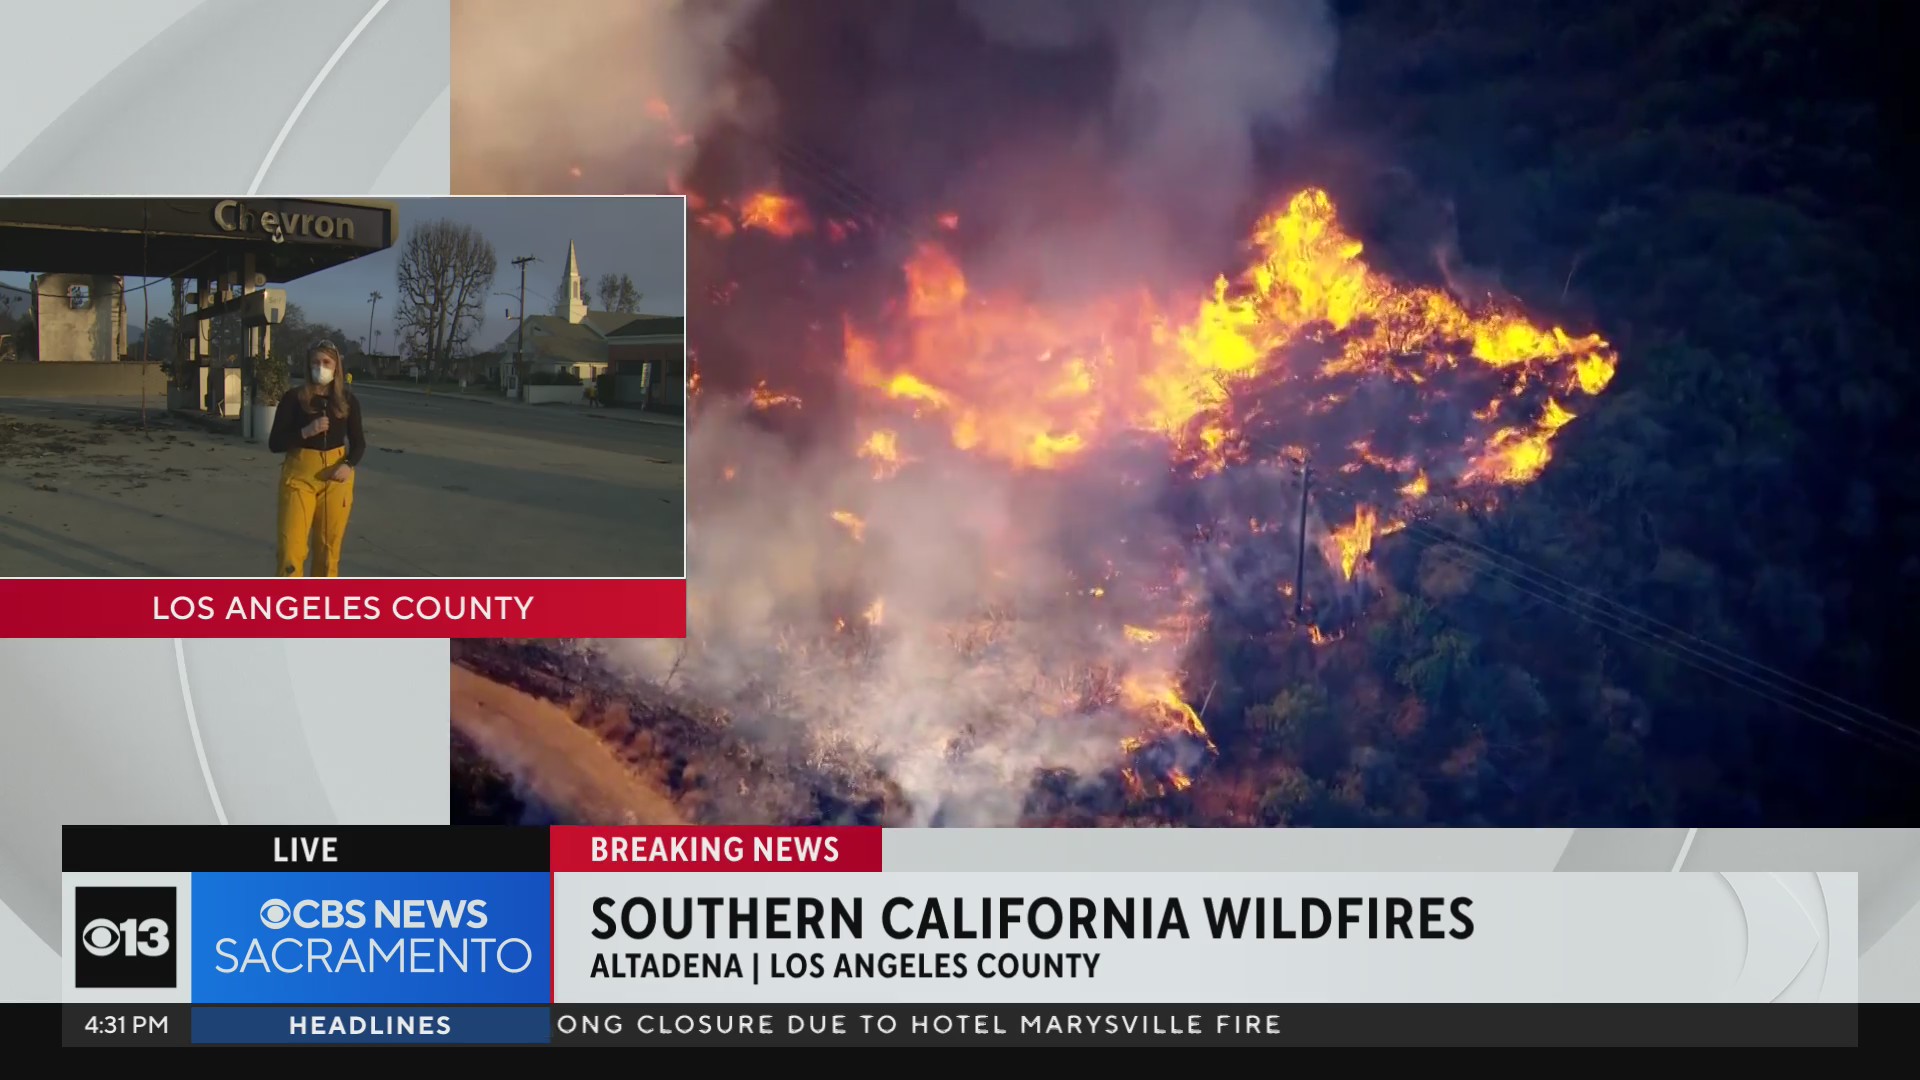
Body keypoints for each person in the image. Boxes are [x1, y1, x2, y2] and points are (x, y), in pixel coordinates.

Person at [268, 341, 365, 576]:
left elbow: (359, 442)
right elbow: (275, 443)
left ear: (336, 366)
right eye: (315, 362)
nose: (320, 367)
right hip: (300, 477)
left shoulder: (347, 401)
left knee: (328, 550)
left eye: (326, 362)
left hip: (336, 478)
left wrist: (348, 464)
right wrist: (305, 432)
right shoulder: (293, 398)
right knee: (291, 549)